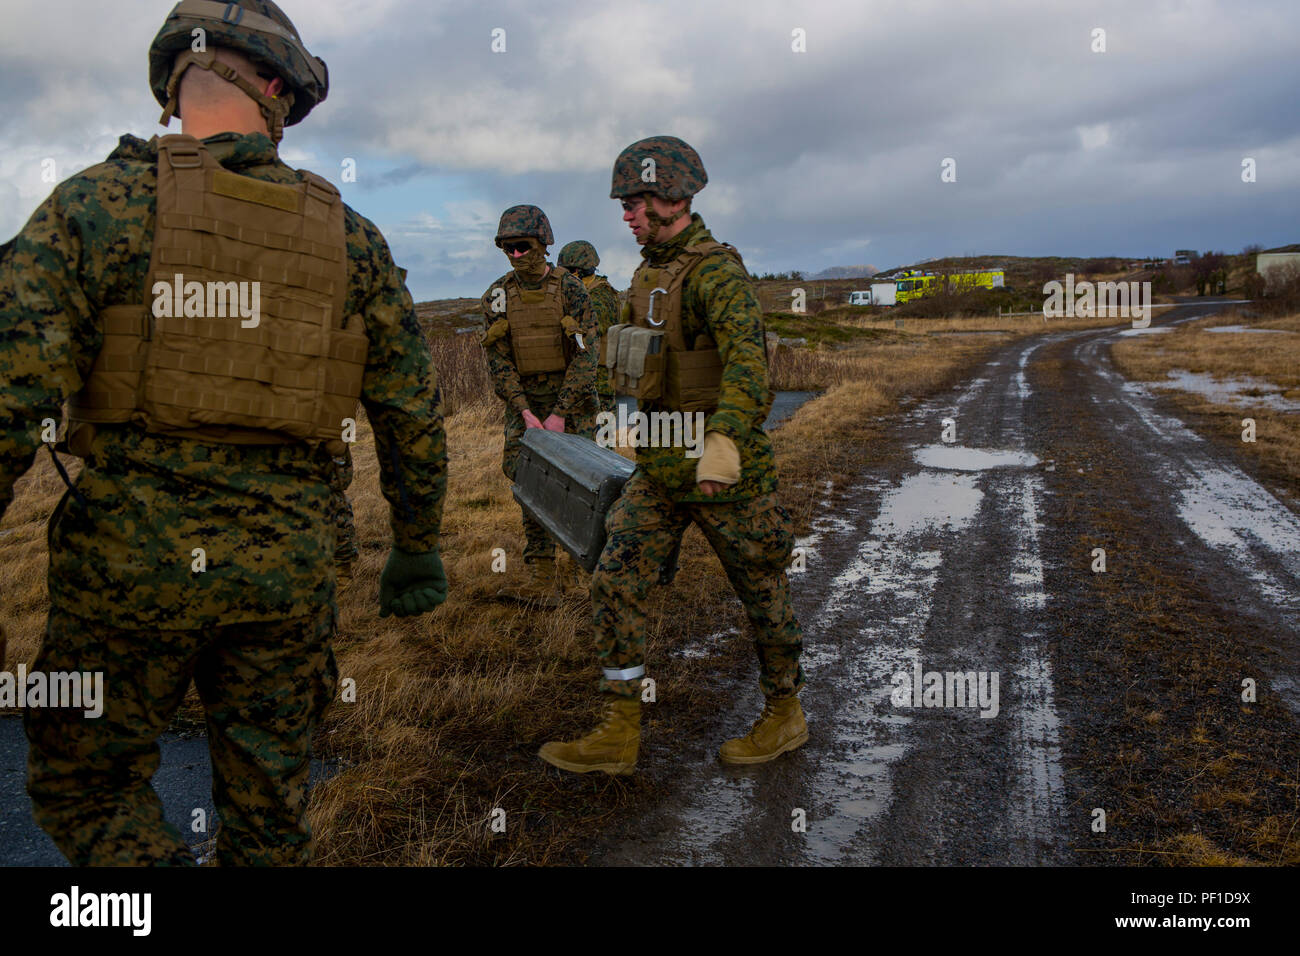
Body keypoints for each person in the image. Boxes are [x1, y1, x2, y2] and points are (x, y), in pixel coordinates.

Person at [0, 0, 448, 866]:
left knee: (84, 782)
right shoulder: (352, 240)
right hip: (290, 572)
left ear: (174, 85)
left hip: (129, 567)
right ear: (276, 89)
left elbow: (12, 395)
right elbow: (410, 411)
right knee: (270, 806)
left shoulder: (97, 205)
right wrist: (416, 543)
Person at [539, 136, 807, 775]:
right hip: (659, 468)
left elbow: (749, 363)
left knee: (760, 588)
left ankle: (785, 711)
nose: (627, 214)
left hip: (723, 474)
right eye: (624, 203)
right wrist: (625, 426)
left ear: (676, 196)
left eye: (636, 200)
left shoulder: (717, 271)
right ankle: (618, 729)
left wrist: (725, 441)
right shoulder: (644, 274)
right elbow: (635, 364)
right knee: (616, 580)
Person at [479, 206, 598, 605]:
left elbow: (587, 357)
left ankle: (588, 574)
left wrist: (560, 412)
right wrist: (526, 412)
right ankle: (541, 576)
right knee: (529, 485)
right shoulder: (497, 296)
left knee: (583, 487)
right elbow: (499, 361)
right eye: (507, 248)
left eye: (523, 246)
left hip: (573, 404)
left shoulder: (572, 290)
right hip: (526, 406)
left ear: (543, 244)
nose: (516, 255)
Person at [557, 240, 620, 416]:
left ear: (576, 272)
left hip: (599, 383)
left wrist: (570, 321)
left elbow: (593, 325)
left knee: (599, 440)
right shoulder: (578, 292)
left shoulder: (602, 294)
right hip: (580, 379)